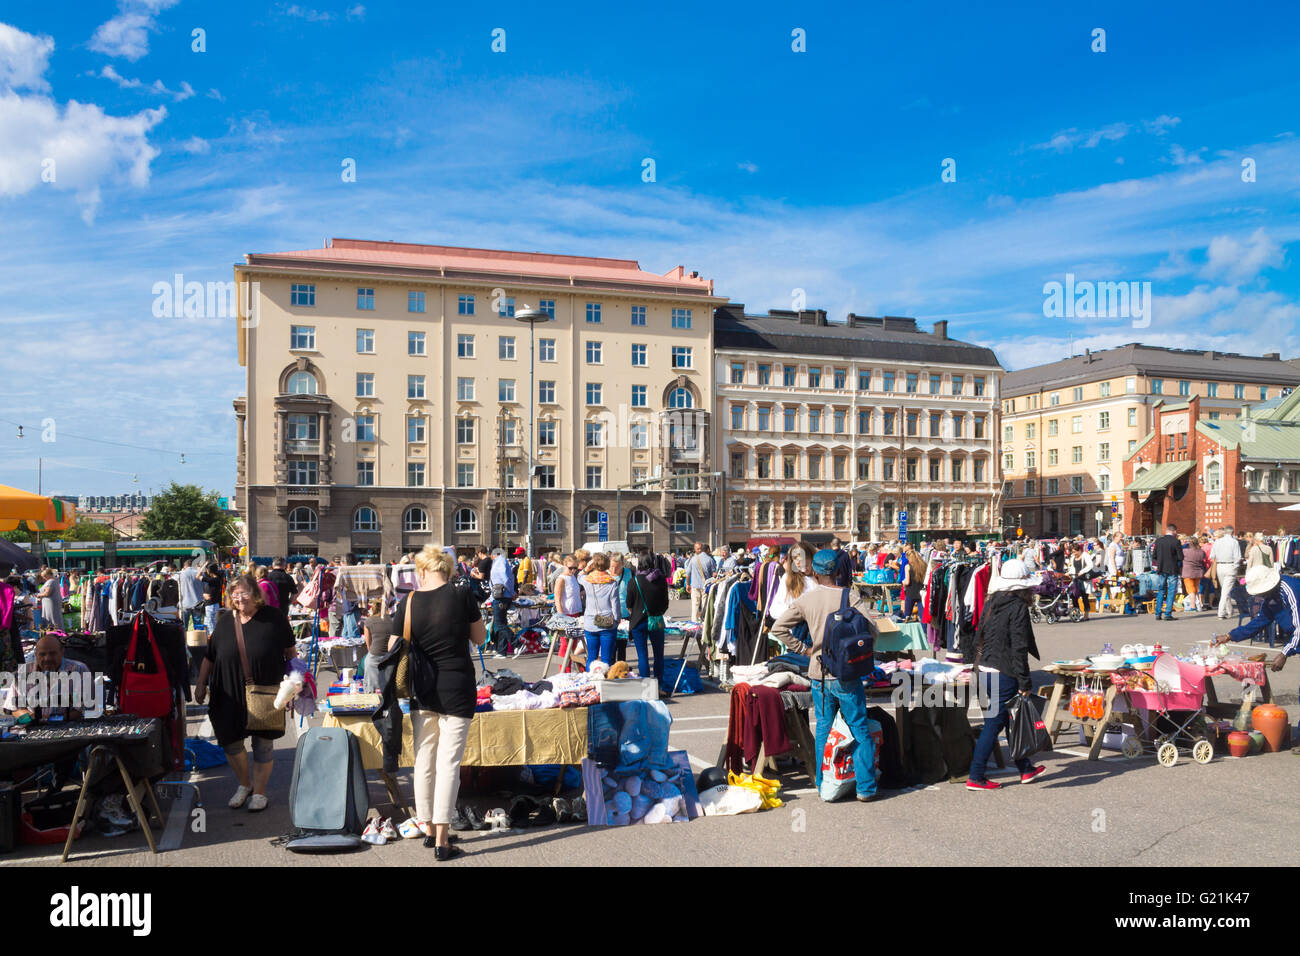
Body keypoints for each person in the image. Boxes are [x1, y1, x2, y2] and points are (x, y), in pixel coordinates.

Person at [390, 545, 486, 857]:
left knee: (424, 761)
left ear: (420, 571)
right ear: (447, 570)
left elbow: (393, 646)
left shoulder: (409, 601)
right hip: (457, 685)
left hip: (423, 687)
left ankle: (429, 830)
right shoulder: (461, 595)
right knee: (449, 763)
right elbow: (480, 638)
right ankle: (444, 840)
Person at [769, 549, 877, 802]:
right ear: (838, 571)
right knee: (860, 728)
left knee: (824, 730)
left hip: (819, 671)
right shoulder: (848, 595)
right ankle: (866, 787)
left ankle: (822, 784)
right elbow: (872, 630)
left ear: (814, 571)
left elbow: (778, 627)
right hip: (847, 673)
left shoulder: (807, 599)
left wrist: (804, 649)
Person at [194, 574, 295, 812]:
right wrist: (200, 683)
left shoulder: (274, 617)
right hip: (227, 691)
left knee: (263, 744)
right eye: (235, 594)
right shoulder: (225, 620)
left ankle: (259, 793)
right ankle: (244, 784)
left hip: (266, 689)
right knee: (231, 742)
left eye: (244, 593)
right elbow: (210, 656)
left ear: (256, 594)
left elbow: (291, 652)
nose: (239, 599)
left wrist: (294, 683)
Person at [967, 558, 1048, 790]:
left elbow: (978, 636)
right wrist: (1025, 681)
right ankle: (976, 775)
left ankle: (1025, 768)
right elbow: (1018, 648)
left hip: (985, 667)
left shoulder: (992, 602)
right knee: (995, 723)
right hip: (1003, 671)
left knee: (1012, 718)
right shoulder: (1018, 608)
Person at [1212, 564, 1299, 752]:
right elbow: (1259, 622)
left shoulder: (1290, 589)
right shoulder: (1272, 597)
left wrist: (1284, 653)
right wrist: (1229, 636)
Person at [1, 633, 91, 719]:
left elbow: (87, 708)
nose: (47, 658)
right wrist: (32, 718)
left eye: (52, 653)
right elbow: (14, 709)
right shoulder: (22, 673)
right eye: (42, 654)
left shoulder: (79, 670)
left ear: (62, 652)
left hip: (69, 725)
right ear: (35, 654)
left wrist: (56, 719)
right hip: (33, 726)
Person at [626, 552, 670, 684]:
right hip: (656, 620)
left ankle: (645, 686)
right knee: (658, 655)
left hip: (638, 621)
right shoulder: (661, 579)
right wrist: (658, 612)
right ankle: (659, 685)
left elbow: (629, 604)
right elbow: (665, 603)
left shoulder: (634, 581)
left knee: (642, 655)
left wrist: (636, 611)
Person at [578, 552, 620, 670]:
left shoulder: (587, 580)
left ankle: (589, 682)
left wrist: (587, 567)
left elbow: (578, 575)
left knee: (591, 657)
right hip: (607, 623)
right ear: (607, 565)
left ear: (594, 565)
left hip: (590, 622)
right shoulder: (612, 583)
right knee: (606, 659)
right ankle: (605, 684)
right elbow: (615, 605)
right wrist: (617, 620)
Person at [553, 554, 584, 671]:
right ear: (564, 566)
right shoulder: (561, 579)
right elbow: (557, 598)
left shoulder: (573, 577)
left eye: (575, 568)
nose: (573, 570)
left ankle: (569, 668)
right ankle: (564, 670)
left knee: (573, 645)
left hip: (575, 613)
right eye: (570, 568)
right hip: (566, 614)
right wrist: (561, 616)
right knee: (565, 645)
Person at [1152, 523, 1183, 621]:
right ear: (1173, 531)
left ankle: (1158, 613)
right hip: (1172, 569)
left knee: (1161, 590)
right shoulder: (1176, 541)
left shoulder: (1159, 541)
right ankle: (1168, 613)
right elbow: (1181, 557)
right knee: (1171, 591)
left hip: (1161, 569)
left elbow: (1154, 556)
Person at [1210, 527, 1243, 620]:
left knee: (1225, 589)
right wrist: (1235, 567)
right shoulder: (1234, 542)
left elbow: (1212, 556)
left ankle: (1229, 610)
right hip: (1230, 566)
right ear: (1233, 532)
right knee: (1225, 590)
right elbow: (1237, 556)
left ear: (1225, 532)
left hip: (1220, 566)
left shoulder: (1217, 542)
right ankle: (1221, 612)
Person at [488, 547, 515, 656]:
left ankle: (516, 641)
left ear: (495, 554)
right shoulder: (501, 562)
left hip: (501, 596)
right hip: (502, 595)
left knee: (499, 623)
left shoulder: (500, 562)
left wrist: (512, 592)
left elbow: (505, 579)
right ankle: (502, 650)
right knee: (502, 623)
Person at [609, 552, 633, 663]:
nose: (613, 570)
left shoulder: (628, 573)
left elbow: (632, 592)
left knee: (622, 645)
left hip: (624, 614)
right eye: (611, 566)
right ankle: (611, 668)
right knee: (611, 644)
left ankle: (621, 668)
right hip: (609, 615)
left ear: (622, 565)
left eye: (616, 567)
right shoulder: (606, 574)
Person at [686, 542, 716, 623]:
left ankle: (694, 622)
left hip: (695, 586)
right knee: (704, 605)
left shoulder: (693, 559)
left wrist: (687, 584)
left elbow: (688, 573)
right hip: (706, 586)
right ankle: (704, 622)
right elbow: (714, 574)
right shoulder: (710, 560)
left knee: (695, 605)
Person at [1068, 542, 1098, 621]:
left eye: (1075, 552)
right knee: (1074, 596)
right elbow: (1073, 567)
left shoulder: (1085, 555)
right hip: (1076, 579)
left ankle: (1086, 614)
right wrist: (1069, 572)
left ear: (1079, 550)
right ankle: (1077, 612)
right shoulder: (1072, 557)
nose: (1074, 554)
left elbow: (1090, 565)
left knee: (1085, 597)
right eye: (1072, 552)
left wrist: (1082, 571)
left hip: (1084, 579)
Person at [177, 559, 205, 631]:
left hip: (184, 603)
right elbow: (205, 586)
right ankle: (199, 639)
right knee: (198, 624)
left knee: (184, 625)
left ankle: (184, 640)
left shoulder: (180, 574)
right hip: (198, 603)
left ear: (184, 566)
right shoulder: (200, 573)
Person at [901, 544, 926, 620]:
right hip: (921, 592)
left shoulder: (908, 566)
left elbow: (907, 582)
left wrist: (903, 582)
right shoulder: (924, 565)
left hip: (911, 592)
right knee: (922, 616)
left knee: (907, 615)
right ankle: (925, 631)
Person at [36, 568, 62, 633]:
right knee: (55, 617)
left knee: (52, 617)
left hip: (50, 602)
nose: (43, 578)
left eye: (44, 576)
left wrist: (38, 595)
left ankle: (54, 632)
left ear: (48, 575)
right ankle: (56, 631)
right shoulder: (55, 580)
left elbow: (47, 593)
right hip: (51, 602)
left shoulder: (51, 581)